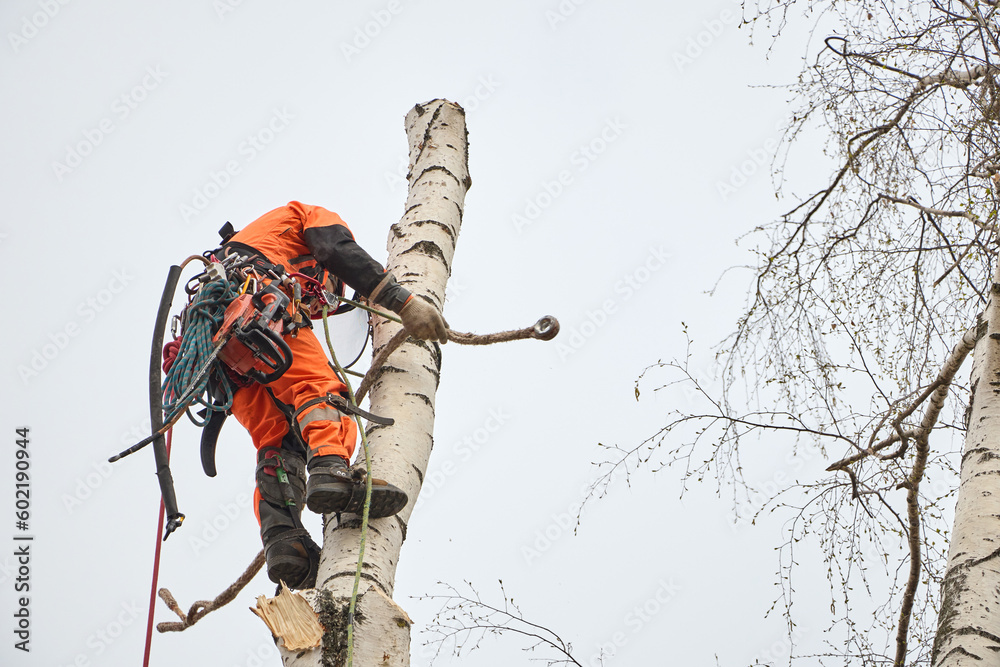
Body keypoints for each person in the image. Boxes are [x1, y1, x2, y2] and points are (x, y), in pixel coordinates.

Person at [216, 200, 447, 588]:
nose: (321, 303)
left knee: (278, 438)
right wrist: (402, 301)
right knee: (322, 391)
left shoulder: (235, 256)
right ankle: (331, 472)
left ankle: (285, 542)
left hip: (220, 350)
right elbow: (335, 249)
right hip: (257, 306)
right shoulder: (306, 215)